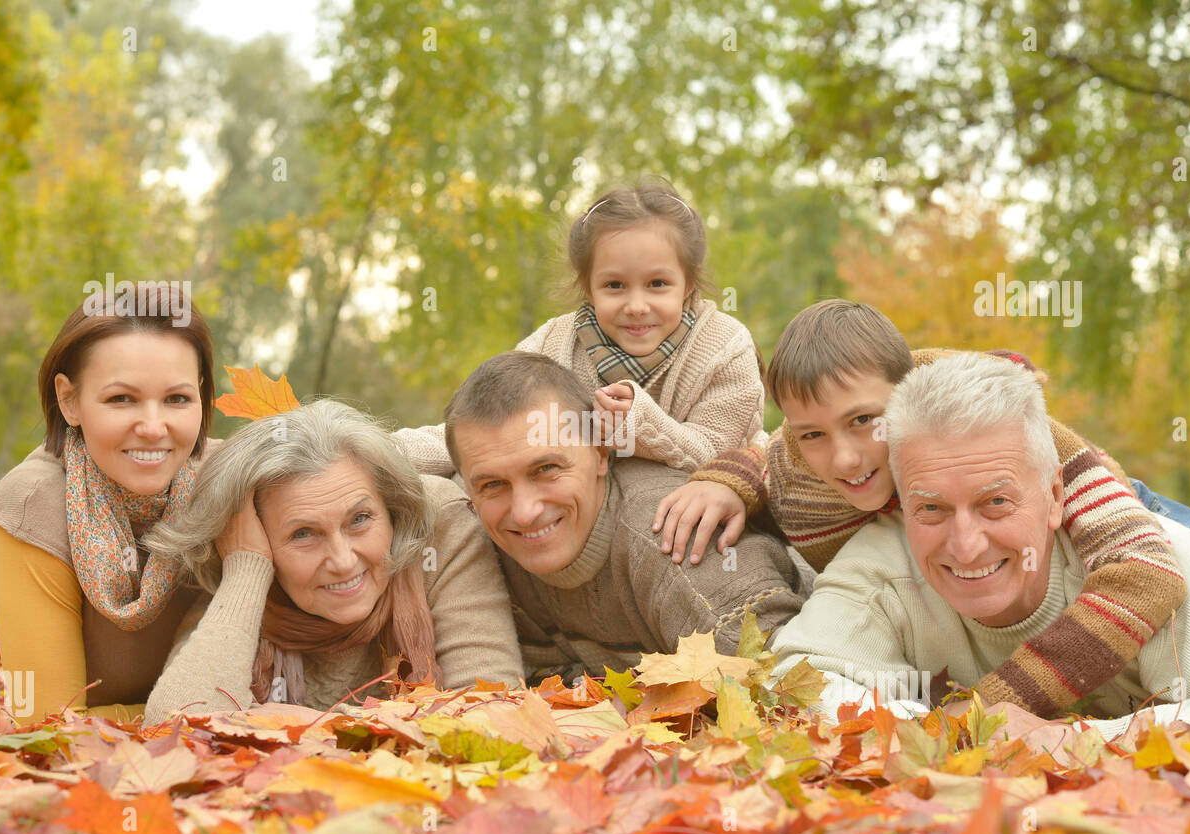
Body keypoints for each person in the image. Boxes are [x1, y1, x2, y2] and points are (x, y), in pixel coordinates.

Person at [654, 299, 1190, 718]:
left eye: (867, 421)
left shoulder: (1012, 444)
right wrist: (729, 481)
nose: (845, 456)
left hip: (1130, 510)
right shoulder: (795, 466)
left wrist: (995, 708)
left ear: (907, 395)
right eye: (815, 433)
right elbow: (771, 452)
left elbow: (1145, 574)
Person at [767, 352, 1190, 724]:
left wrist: (1075, 743)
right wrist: (944, 732)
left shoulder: (1177, 567)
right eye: (931, 509)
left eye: (996, 504)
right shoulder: (881, 559)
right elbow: (798, 677)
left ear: (1055, 494)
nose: (966, 546)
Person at [141, 400, 523, 723]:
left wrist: (296, 726)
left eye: (360, 519)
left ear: (392, 510)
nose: (342, 561)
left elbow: (494, 712)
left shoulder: (439, 530)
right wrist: (246, 570)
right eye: (303, 534)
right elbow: (176, 726)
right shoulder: (250, 577)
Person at [441, 351, 804, 684]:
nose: (524, 511)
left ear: (601, 452)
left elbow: (796, 683)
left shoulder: (672, 537)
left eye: (546, 469)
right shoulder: (471, 545)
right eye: (492, 484)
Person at [395, 178, 766, 475]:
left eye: (657, 284)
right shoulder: (552, 345)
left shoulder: (725, 346)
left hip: (698, 518)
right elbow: (489, 427)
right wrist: (380, 452)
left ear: (689, 282)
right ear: (587, 286)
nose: (636, 306)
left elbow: (717, 456)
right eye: (614, 286)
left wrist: (640, 425)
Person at [0, 283, 218, 720]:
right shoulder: (32, 505)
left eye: (177, 398)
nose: (153, 427)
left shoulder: (233, 483)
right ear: (69, 401)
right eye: (121, 399)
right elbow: (47, 727)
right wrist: (202, 714)